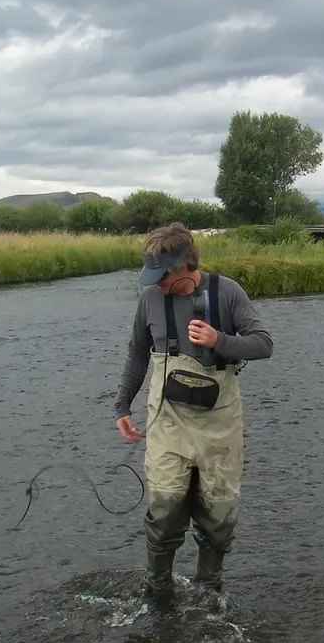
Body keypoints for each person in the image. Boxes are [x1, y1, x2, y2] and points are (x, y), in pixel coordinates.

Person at [113, 221, 273, 596]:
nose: (154, 285)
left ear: (184, 266)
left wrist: (221, 340)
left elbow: (263, 344)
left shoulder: (228, 292)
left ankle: (208, 593)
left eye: (160, 277)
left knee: (218, 516)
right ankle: (158, 592)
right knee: (164, 510)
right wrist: (122, 405)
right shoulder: (149, 300)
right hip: (167, 424)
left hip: (219, 426)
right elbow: (137, 355)